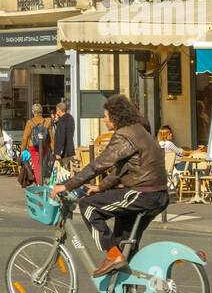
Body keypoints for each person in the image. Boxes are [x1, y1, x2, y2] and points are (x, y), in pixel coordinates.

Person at [50, 93, 169, 277]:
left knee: (88, 206)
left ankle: (112, 256)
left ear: (115, 117)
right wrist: (101, 187)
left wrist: (67, 186)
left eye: (105, 117)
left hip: (143, 193)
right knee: (125, 243)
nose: (104, 121)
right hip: (157, 194)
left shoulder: (124, 135)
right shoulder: (138, 130)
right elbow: (123, 170)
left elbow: (99, 164)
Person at [21, 103, 53, 186]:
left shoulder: (30, 122)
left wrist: (22, 150)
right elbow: (51, 137)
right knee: (43, 164)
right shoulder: (47, 121)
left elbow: (25, 137)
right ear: (41, 111)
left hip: (33, 147)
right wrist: (53, 149)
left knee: (36, 165)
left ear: (33, 112)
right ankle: (42, 181)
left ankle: (39, 184)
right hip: (44, 145)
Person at [52, 100, 76, 170]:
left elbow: (61, 136)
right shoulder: (70, 118)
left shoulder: (62, 121)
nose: (56, 112)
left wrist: (59, 152)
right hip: (70, 149)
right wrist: (57, 122)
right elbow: (67, 131)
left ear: (59, 110)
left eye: (57, 110)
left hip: (63, 152)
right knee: (67, 170)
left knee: (63, 171)